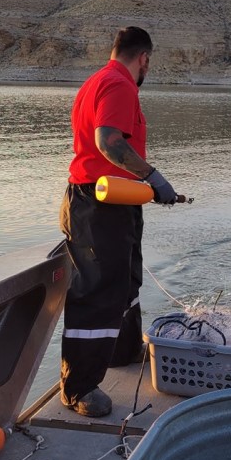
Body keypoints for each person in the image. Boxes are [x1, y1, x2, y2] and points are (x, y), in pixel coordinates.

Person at [59, 26, 180, 417]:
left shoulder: (99, 80)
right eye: (149, 63)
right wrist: (154, 178)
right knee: (96, 292)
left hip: (115, 200)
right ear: (144, 58)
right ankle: (78, 388)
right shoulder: (119, 84)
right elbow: (109, 141)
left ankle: (121, 354)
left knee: (126, 281)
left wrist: (142, 189)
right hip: (98, 204)